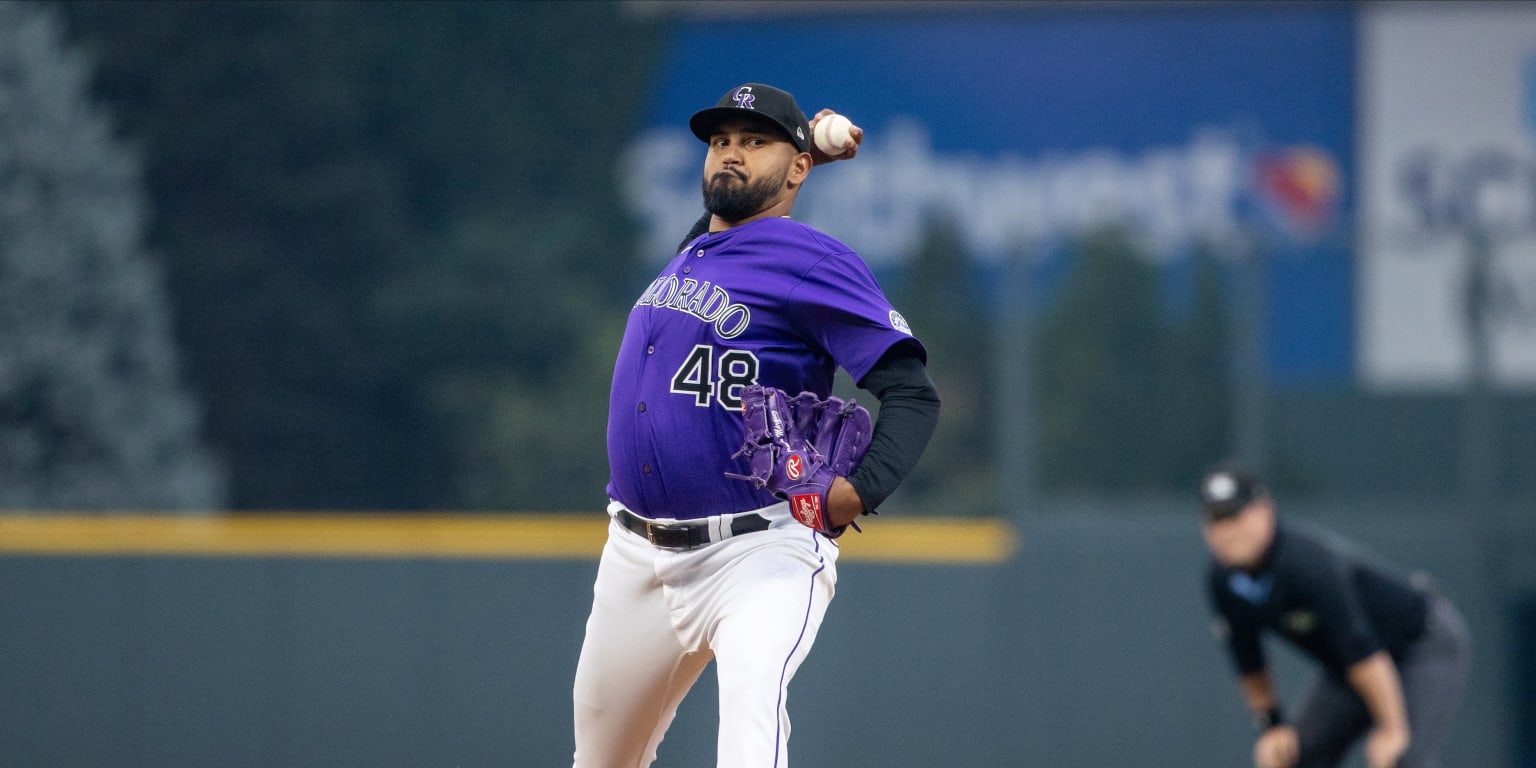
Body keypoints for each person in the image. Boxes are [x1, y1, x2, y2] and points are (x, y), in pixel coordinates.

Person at [571, 83, 940, 767]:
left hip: (759, 552)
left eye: (753, 142)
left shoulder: (814, 263)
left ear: (794, 167)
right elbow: (728, 228)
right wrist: (802, 155)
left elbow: (913, 396)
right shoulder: (696, 253)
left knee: (751, 711)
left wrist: (858, 491)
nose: (730, 155)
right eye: (721, 142)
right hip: (635, 554)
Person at [1198, 464, 1471, 768]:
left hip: (1421, 644)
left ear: (1264, 511)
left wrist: (1391, 729)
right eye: (1216, 521)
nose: (1227, 532)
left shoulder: (1304, 565)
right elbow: (1248, 659)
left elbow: (1363, 649)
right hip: (1352, 665)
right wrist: (1271, 725)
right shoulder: (1222, 579)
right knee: (1292, 758)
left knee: (1401, 758)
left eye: (1235, 517)